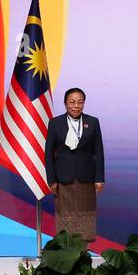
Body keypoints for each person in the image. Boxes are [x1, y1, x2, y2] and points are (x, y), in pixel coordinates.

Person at [44, 88, 105, 242]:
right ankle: (66, 253)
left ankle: (83, 254)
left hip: (87, 178)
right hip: (63, 178)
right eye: (72, 102)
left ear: (84, 103)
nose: (76, 106)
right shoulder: (55, 123)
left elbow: (99, 152)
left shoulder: (93, 122)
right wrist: (51, 180)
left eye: (80, 102)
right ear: (65, 103)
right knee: (65, 215)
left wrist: (99, 178)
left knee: (86, 215)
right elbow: (49, 154)